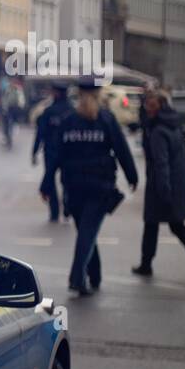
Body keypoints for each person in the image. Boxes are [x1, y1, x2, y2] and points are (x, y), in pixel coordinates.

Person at [56, 78, 138, 296]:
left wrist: (47, 183)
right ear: (100, 94)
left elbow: (57, 155)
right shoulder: (106, 119)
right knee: (88, 231)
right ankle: (77, 277)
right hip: (99, 186)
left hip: (74, 187)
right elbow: (121, 149)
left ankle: (95, 275)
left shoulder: (69, 121)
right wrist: (132, 176)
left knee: (86, 231)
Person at [132, 90, 185, 280]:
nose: (148, 109)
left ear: (160, 106)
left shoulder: (158, 132)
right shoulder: (173, 123)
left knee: (171, 225)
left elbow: (161, 163)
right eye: (147, 105)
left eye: (152, 105)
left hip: (162, 185)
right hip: (178, 181)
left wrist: (163, 191)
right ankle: (147, 263)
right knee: (158, 225)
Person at [32, 83, 72, 222]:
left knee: (51, 180)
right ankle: (67, 207)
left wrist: (35, 151)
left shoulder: (49, 111)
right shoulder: (72, 110)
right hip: (68, 152)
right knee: (67, 180)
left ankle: (55, 211)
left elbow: (40, 133)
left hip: (51, 151)